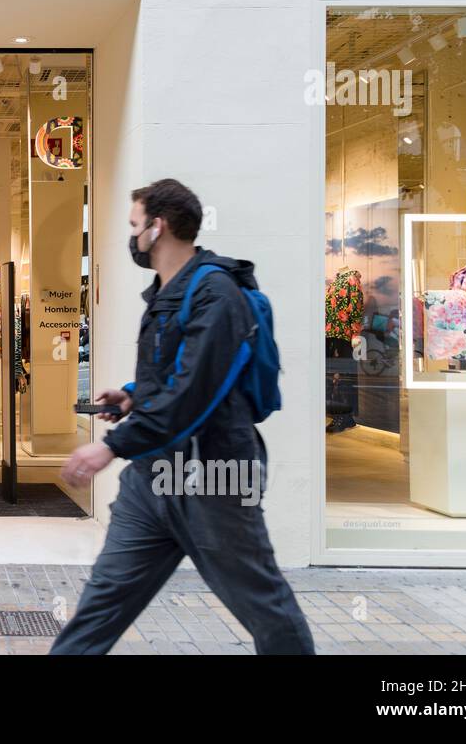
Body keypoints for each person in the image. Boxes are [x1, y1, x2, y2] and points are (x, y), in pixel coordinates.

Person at [49, 178, 314, 656]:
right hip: (154, 476)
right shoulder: (167, 291)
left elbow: (194, 392)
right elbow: (174, 375)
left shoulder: (217, 294)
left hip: (214, 477)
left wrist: (110, 446)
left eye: (134, 226)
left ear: (158, 226)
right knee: (103, 601)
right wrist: (132, 395)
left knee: (263, 604)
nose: (131, 237)